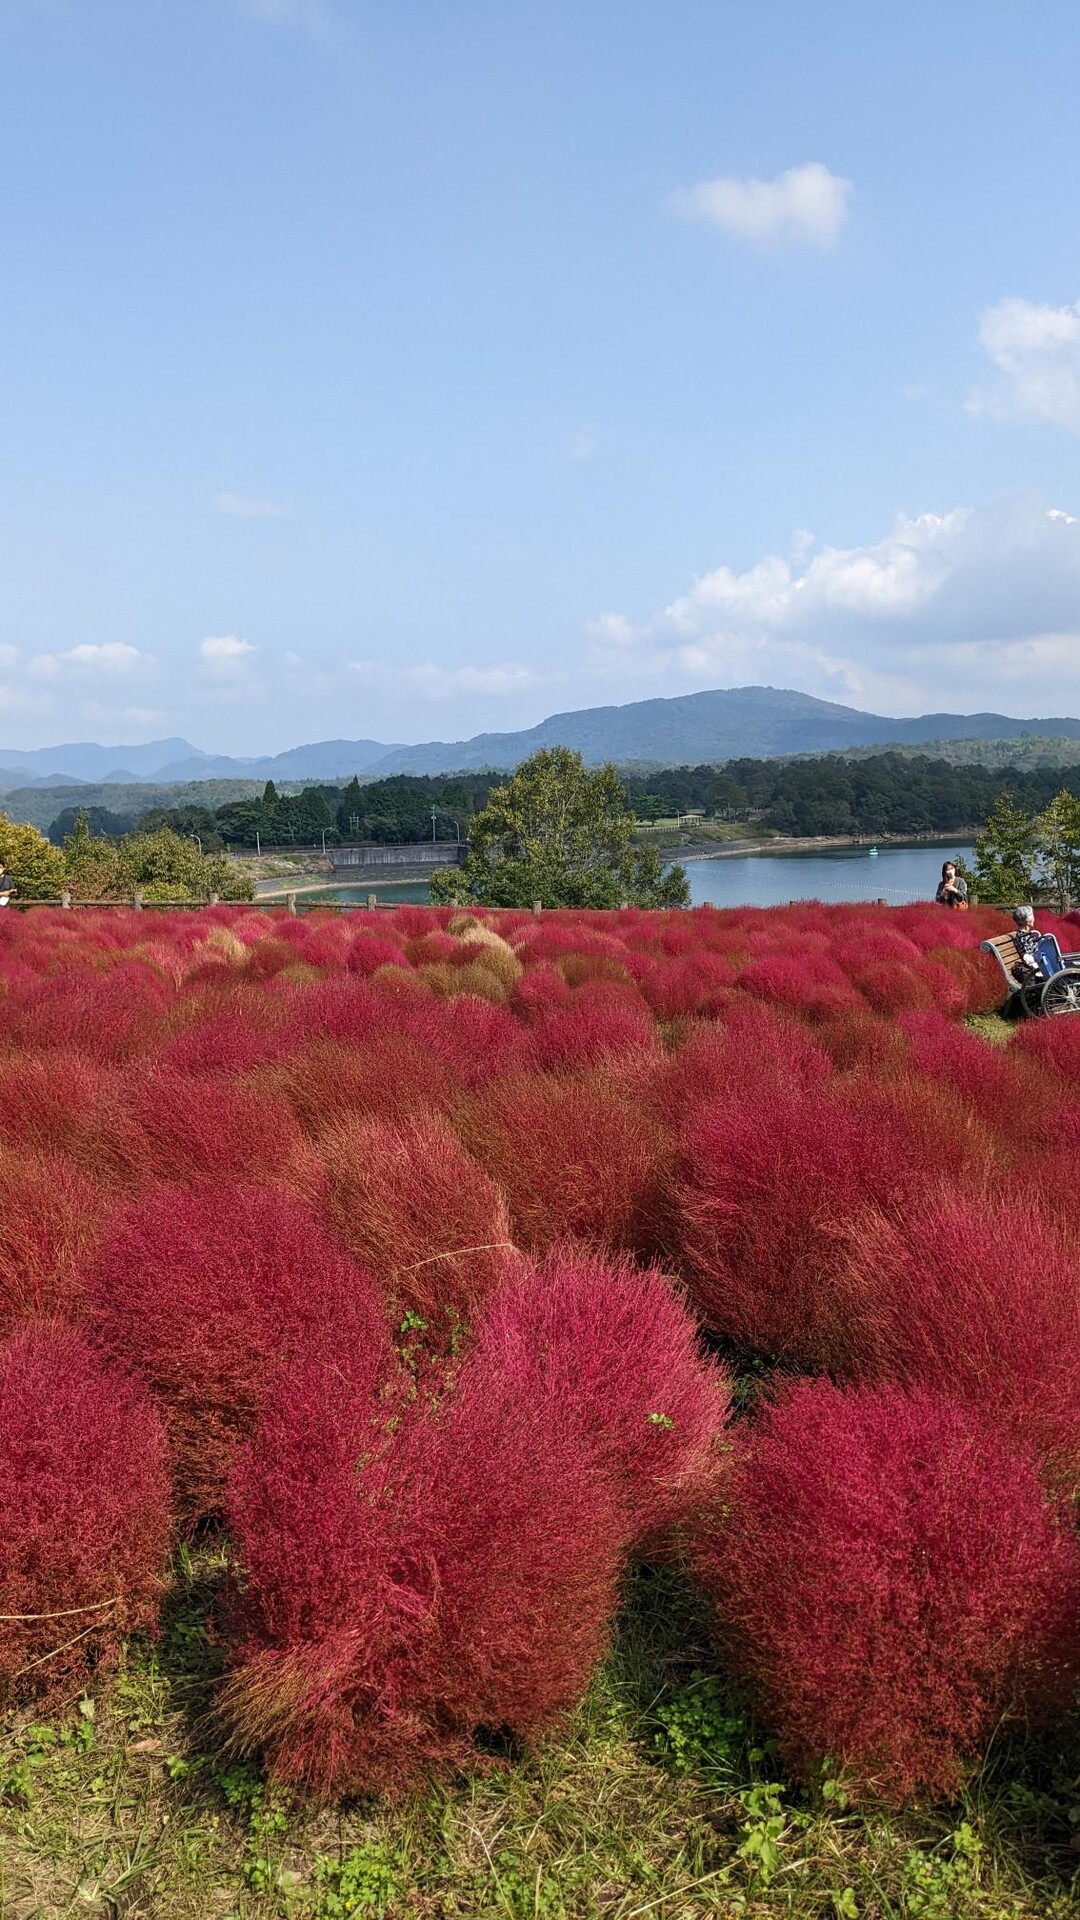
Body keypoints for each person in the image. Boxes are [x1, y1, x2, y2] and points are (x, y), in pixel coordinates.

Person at [1009, 904, 1045, 988]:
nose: (1034, 918)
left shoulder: (1025, 935)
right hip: (1034, 968)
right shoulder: (1023, 938)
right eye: (1032, 916)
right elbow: (1029, 958)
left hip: (1036, 966)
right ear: (1027, 921)